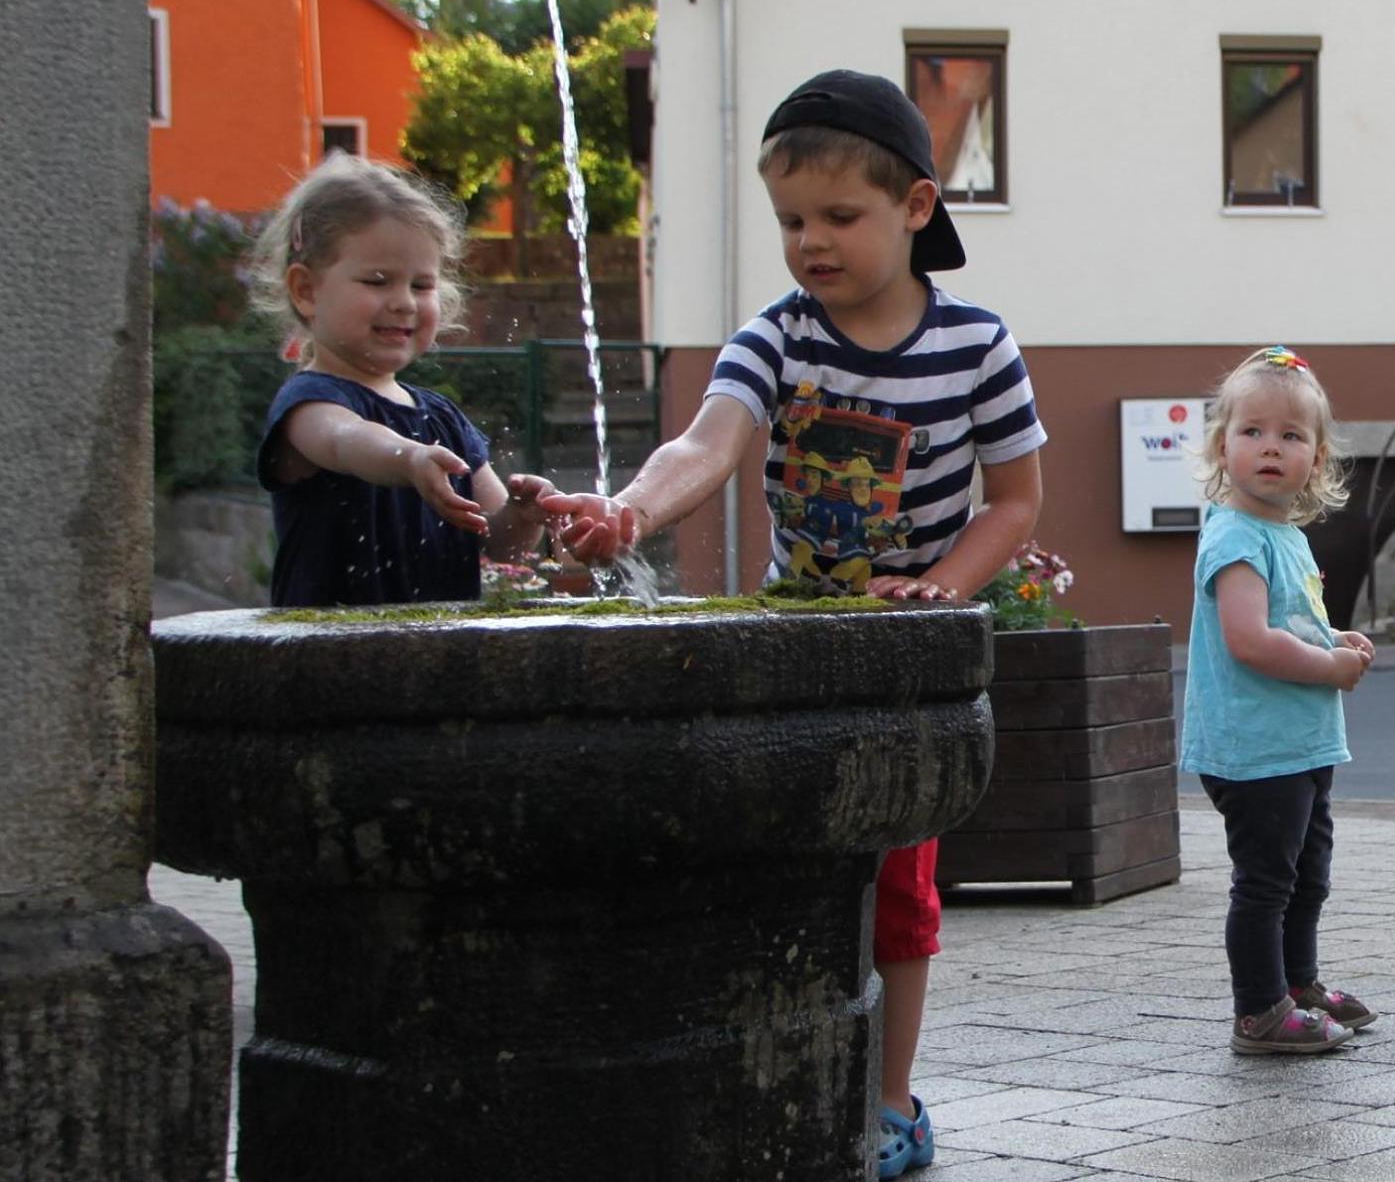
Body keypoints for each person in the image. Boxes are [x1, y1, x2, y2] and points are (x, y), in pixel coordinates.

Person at [546, 69, 1045, 1179]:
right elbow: (708, 445)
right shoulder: (776, 338)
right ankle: (774, 1074)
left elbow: (1015, 502)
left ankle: (893, 1101)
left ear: (916, 207)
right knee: (783, 879)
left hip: (909, 663)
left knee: (900, 893)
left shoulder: (977, 346)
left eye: (838, 217)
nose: (809, 242)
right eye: (789, 220)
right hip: (801, 654)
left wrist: (944, 585)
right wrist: (628, 510)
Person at [1181, 346, 1378, 1057]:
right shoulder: (1233, 535)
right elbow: (1251, 642)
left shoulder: (1284, 533)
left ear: (1317, 459)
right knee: (1266, 884)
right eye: (1254, 432)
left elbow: (1287, 621)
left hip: (1296, 742)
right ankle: (1259, 1011)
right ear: (1222, 445)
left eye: (1291, 436)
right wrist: (1329, 667)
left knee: (1307, 876)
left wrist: (1333, 637)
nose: (1271, 447)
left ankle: (1297, 985)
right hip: (1254, 746)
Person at [249, 155, 556, 608]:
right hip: (327, 660)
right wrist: (409, 457)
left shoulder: (442, 418)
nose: (404, 303)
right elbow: (346, 440)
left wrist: (526, 515)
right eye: (378, 281)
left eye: (421, 285)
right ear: (306, 291)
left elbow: (496, 543)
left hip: (435, 658)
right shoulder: (308, 404)